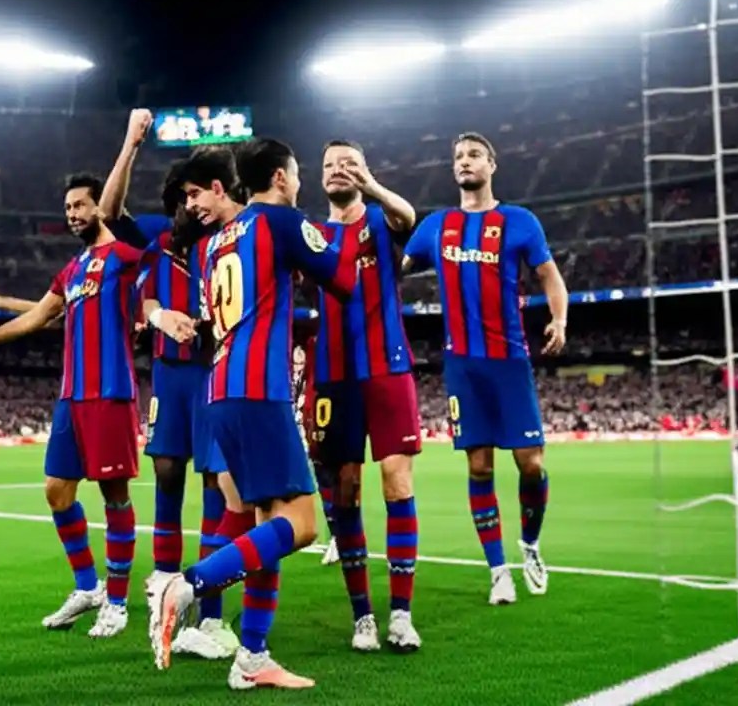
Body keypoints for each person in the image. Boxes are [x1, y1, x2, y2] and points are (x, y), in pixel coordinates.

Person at [148, 138, 358, 689]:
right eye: (298, 174)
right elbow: (344, 278)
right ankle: (185, 586)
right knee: (301, 525)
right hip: (259, 390)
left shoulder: (215, 243)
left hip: (220, 388)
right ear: (282, 177)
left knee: (265, 522)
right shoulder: (279, 221)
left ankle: (253, 657)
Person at [0, 173, 142, 639]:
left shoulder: (126, 257)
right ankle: (88, 587)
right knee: (57, 491)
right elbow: (40, 313)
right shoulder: (73, 269)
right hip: (71, 396)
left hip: (110, 392)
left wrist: (131, 145)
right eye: (68, 208)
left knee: (115, 496)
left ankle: (117, 602)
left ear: (100, 206)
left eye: (80, 205)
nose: (73, 214)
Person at [100, 111, 251, 659]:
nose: (189, 207)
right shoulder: (160, 239)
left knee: (216, 483)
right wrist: (131, 142)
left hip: (217, 370)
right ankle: (166, 589)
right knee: (167, 474)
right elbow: (109, 213)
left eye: (195, 196)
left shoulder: (231, 237)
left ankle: (209, 614)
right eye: (182, 198)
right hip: (170, 374)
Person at [402, 132, 568, 605]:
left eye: (474, 154)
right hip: (462, 366)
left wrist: (559, 318)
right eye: (458, 156)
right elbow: (395, 267)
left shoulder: (519, 222)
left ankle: (530, 544)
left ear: (492, 165)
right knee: (479, 466)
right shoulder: (436, 225)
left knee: (531, 463)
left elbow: (550, 277)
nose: (464, 161)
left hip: (509, 362)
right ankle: (498, 570)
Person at [308, 139, 422, 651]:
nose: (338, 170)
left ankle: (401, 614)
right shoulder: (311, 235)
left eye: (347, 163)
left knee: (397, 483)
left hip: (388, 368)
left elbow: (407, 217)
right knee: (346, 490)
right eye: (330, 165)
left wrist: (370, 184)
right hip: (334, 375)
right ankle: (363, 617)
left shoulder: (380, 219)